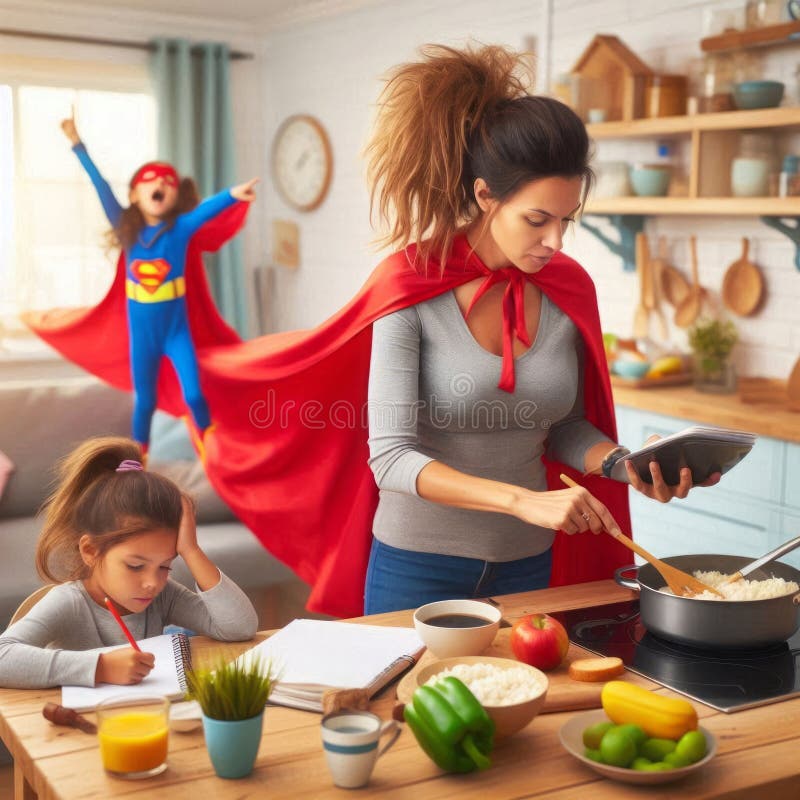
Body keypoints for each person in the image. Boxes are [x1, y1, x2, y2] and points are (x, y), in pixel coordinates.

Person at [362, 44, 719, 613]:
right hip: (416, 563)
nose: (554, 241)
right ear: (484, 195)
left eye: (566, 220)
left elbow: (566, 425)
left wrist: (625, 465)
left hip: (529, 563)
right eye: (537, 219)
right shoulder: (410, 285)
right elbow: (392, 458)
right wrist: (521, 501)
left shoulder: (565, 288)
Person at [57, 112, 258, 460]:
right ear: (135, 194)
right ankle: (138, 460)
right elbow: (100, 185)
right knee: (145, 402)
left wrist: (232, 195)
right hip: (143, 337)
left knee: (195, 395)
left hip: (176, 332)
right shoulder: (126, 228)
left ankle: (213, 449)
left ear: (173, 194)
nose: (159, 184)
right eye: (150, 180)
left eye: (167, 180)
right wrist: (77, 144)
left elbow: (206, 211)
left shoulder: (179, 229)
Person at [0, 437, 258, 689]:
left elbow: (239, 628)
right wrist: (100, 667)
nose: (152, 583)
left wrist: (191, 550)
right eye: (135, 566)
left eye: (165, 566)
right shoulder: (70, 603)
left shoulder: (163, 596)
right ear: (90, 551)